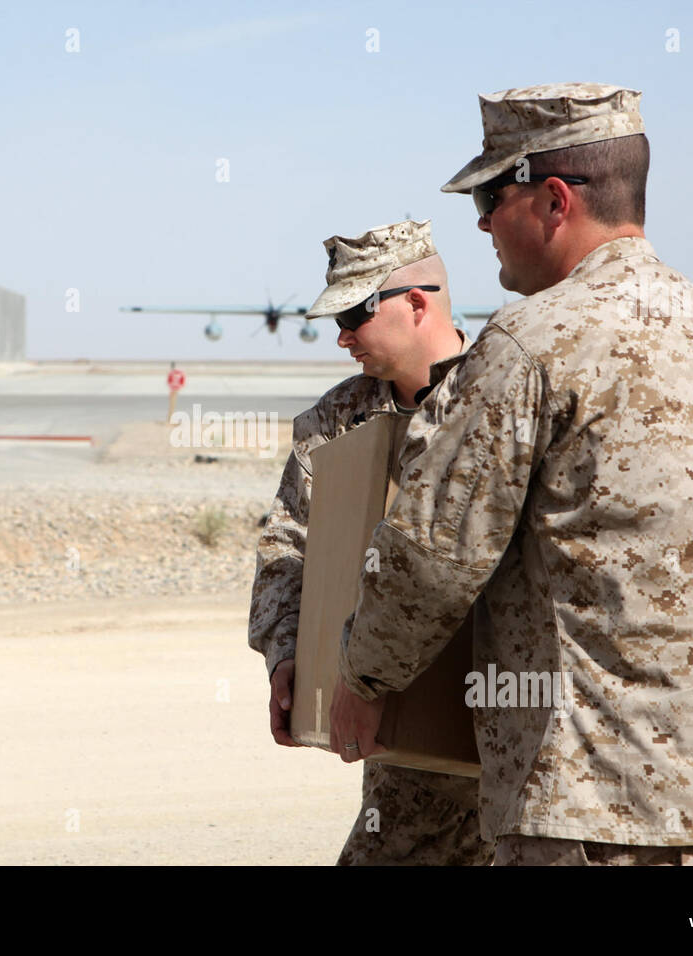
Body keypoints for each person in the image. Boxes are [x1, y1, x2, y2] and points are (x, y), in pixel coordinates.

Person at [330, 83, 693, 866]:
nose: (480, 221)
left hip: (584, 821)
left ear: (554, 200)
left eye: (491, 193)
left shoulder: (527, 345)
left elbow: (434, 554)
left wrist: (363, 677)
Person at [248, 218, 491, 865]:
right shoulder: (335, 423)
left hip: (516, 737)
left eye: (356, 313)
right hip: (404, 752)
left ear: (417, 302)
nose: (342, 336)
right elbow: (286, 546)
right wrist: (286, 654)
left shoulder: (506, 391)